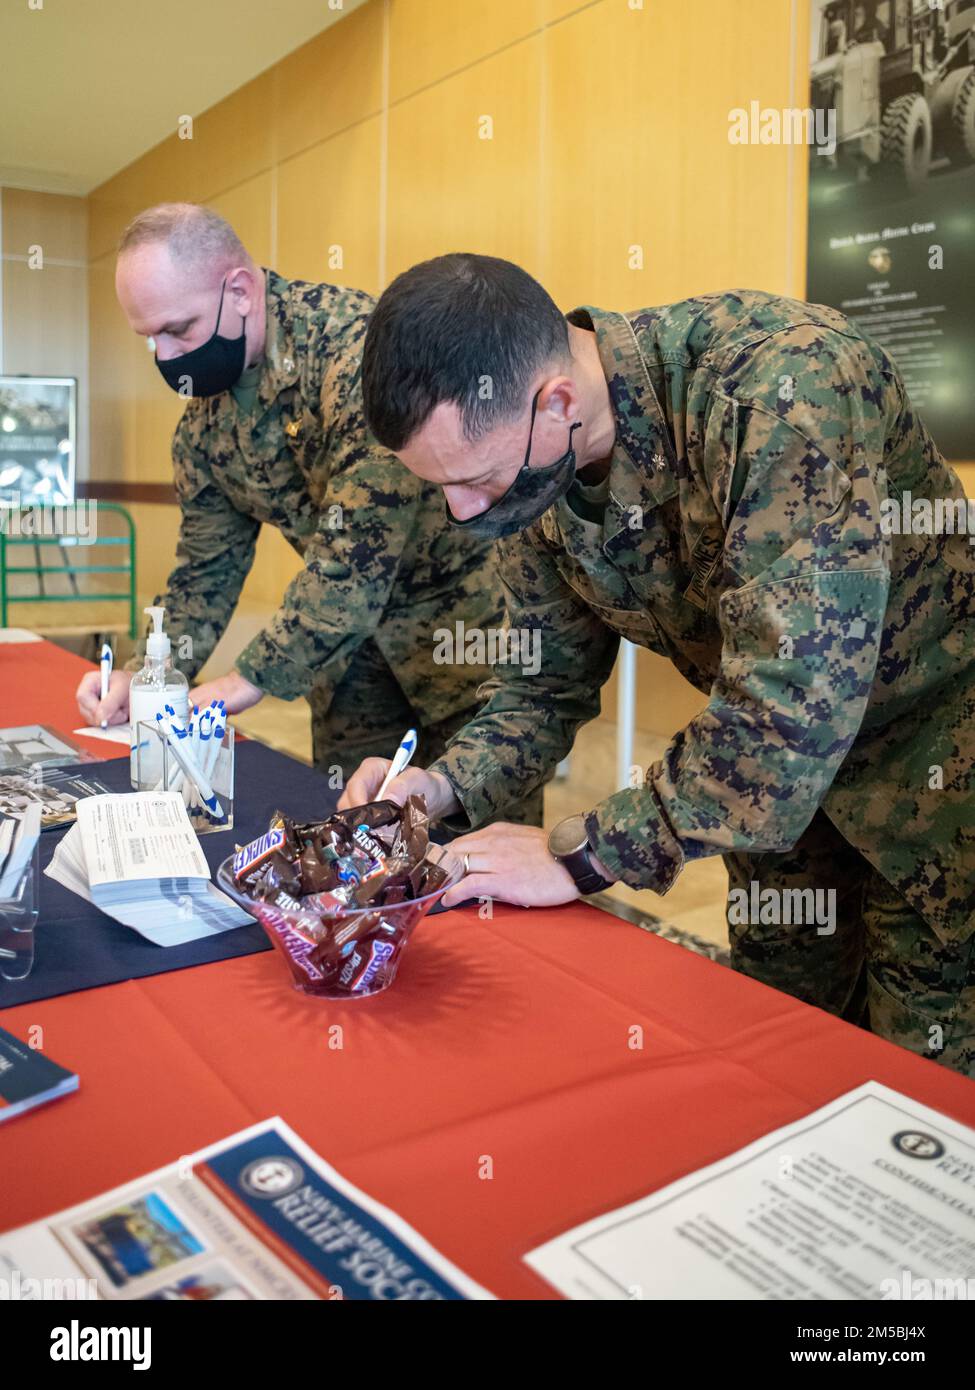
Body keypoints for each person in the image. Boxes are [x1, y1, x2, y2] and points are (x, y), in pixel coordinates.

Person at [341, 252, 975, 1075]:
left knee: (921, 1092)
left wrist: (580, 853)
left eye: (475, 478)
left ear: (557, 400)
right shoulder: (537, 470)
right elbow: (543, 685)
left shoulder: (784, 386)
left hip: (937, 779)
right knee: (783, 1044)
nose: (462, 510)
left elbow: (792, 707)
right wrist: (441, 785)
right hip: (770, 814)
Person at [75, 206, 524, 795]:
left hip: (466, 641)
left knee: (481, 851)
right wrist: (151, 673)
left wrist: (247, 678)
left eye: (178, 329)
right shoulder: (204, 428)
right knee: (354, 841)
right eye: (149, 338)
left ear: (239, 290)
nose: (164, 355)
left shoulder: (358, 354)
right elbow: (205, 569)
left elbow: (356, 553)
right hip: (346, 664)